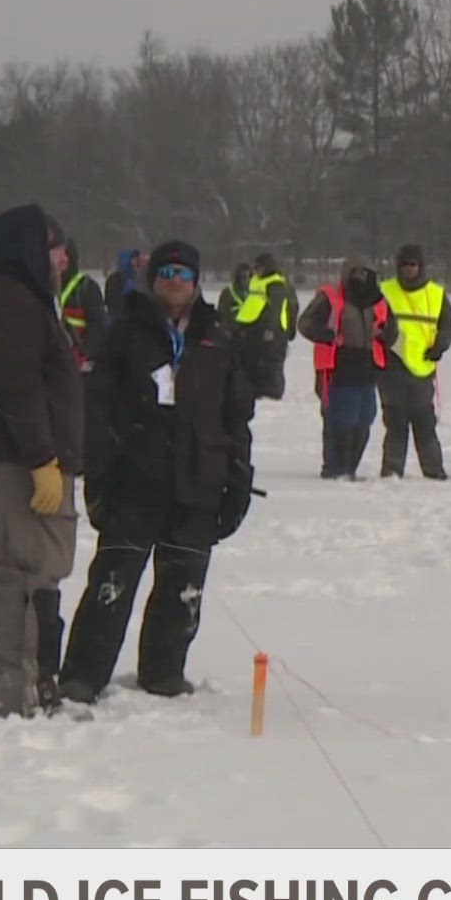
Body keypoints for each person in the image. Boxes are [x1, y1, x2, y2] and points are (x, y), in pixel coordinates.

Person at [59, 241, 256, 703]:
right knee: (112, 584)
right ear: (152, 279)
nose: (174, 280)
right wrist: (98, 478)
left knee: (183, 589)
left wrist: (239, 481)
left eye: (183, 274)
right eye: (165, 272)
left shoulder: (216, 337)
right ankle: (83, 675)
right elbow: (99, 409)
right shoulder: (125, 332)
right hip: (135, 482)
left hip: (198, 483)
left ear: (196, 282)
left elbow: (237, 417)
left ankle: (163, 671)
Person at [0, 204, 84, 718]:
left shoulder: (9, 298)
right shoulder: (11, 302)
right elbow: (18, 387)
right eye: (54, 246)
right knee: (19, 576)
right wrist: (42, 458)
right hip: (5, 464)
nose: (64, 257)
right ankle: (17, 698)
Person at [298, 258, 397, 480]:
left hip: (368, 368)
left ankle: (350, 467)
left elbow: (393, 332)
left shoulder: (379, 301)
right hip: (336, 367)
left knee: (365, 418)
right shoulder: (330, 297)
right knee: (341, 419)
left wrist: (381, 334)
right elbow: (305, 324)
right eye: (356, 272)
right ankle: (335, 468)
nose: (360, 278)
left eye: (365, 273)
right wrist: (330, 335)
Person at [377, 244, 451, 478]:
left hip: (422, 368)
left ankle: (433, 471)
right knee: (395, 424)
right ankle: (392, 471)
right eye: (404, 264)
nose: (408, 269)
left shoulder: (436, 294)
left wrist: (439, 347)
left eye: (412, 264)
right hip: (391, 367)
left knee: (424, 425)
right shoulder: (384, 291)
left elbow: (448, 324)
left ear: (420, 266)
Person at [231, 252, 297, 401]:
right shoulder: (256, 281)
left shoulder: (276, 283)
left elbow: (276, 308)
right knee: (253, 359)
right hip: (253, 325)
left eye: (259, 267)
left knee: (271, 361)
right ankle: (256, 388)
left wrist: (271, 329)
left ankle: (273, 390)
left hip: (272, 329)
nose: (256, 270)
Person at [56, 239, 109, 366]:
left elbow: (98, 326)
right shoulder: (43, 286)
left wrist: (83, 352)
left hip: (80, 361)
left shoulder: (86, 287)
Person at [105, 248, 149, 321]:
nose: (134, 262)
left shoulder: (138, 277)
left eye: (136, 259)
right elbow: (113, 302)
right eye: (133, 259)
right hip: (120, 320)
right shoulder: (115, 278)